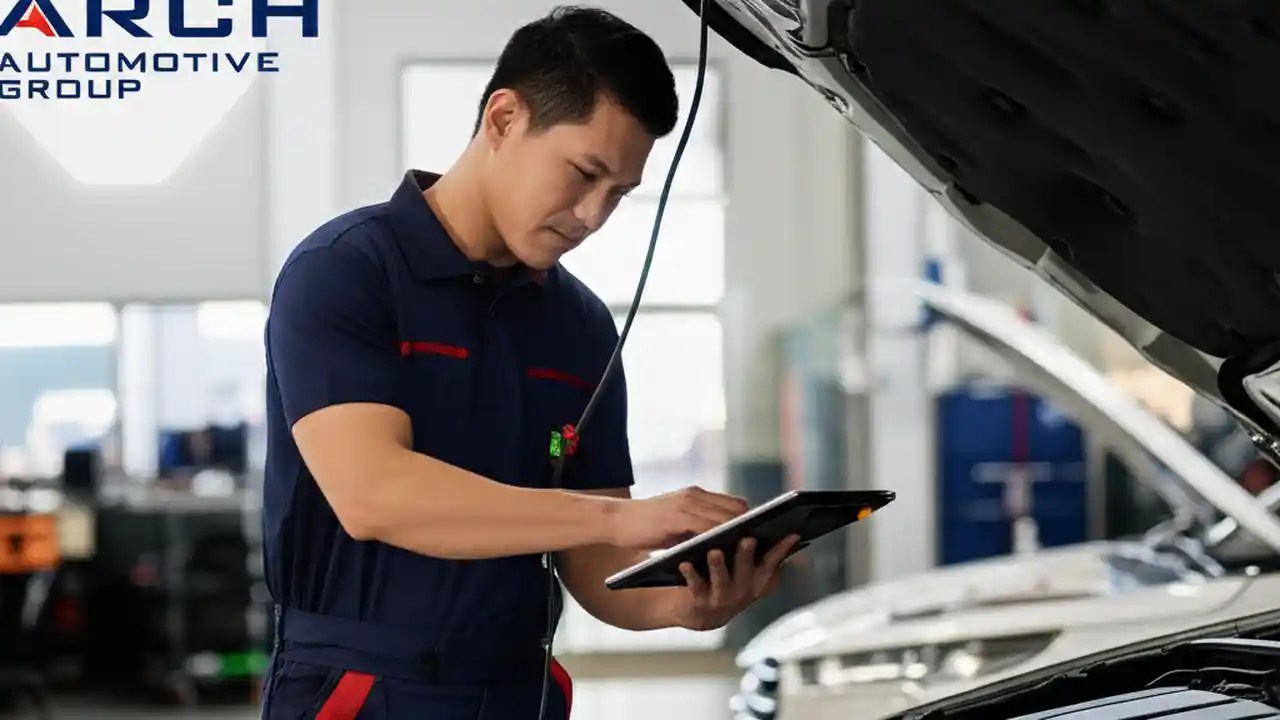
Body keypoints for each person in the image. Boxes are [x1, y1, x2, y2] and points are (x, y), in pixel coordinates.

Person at [259, 7, 798, 719]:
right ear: (504, 119)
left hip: (517, 691)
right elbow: (373, 495)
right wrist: (609, 518)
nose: (592, 215)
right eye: (583, 173)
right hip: (359, 689)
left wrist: (685, 605)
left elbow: (595, 567)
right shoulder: (345, 272)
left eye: (619, 194)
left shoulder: (579, 326)